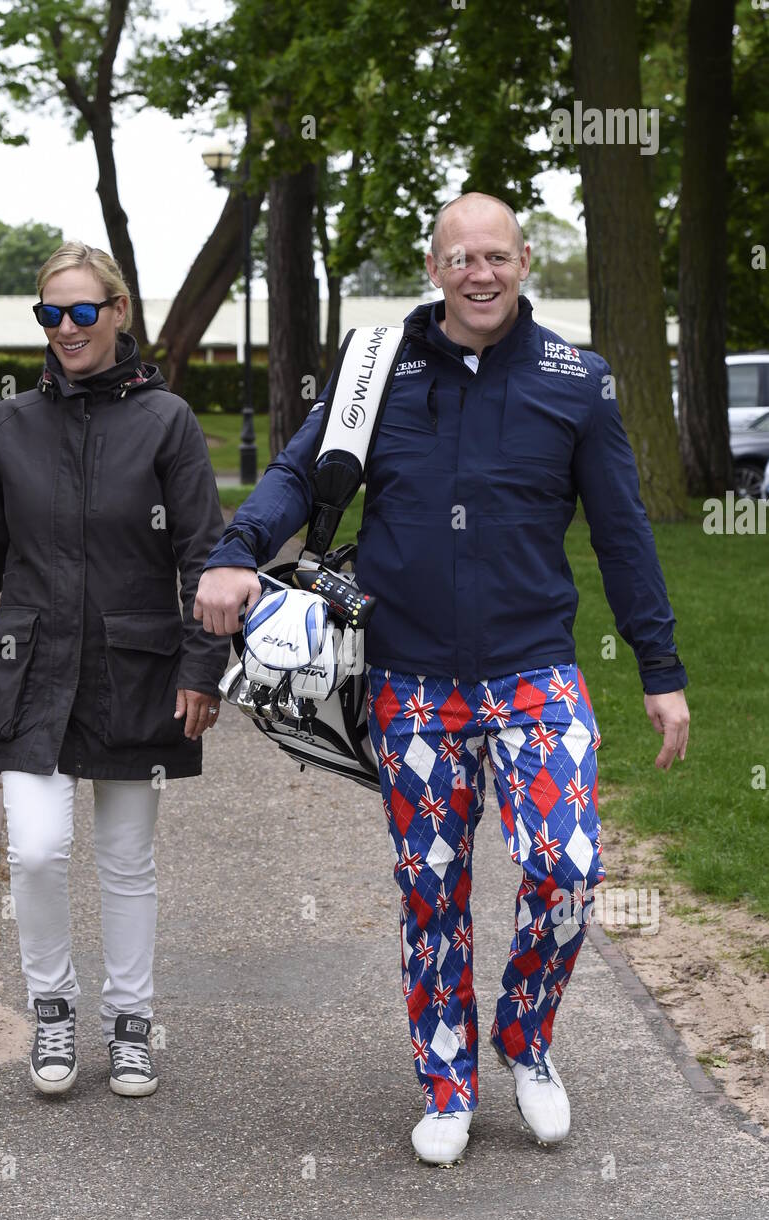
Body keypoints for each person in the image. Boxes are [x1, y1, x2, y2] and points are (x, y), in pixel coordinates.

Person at [194, 192, 691, 1166]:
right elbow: (299, 472)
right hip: (412, 677)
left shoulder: (574, 381)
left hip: (536, 672)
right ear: (435, 267)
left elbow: (626, 535)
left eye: (496, 255)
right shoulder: (377, 369)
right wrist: (235, 549)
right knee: (432, 887)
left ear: (523, 260)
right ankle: (449, 1081)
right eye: (460, 256)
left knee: (568, 867)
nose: (480, 272)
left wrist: (660, 667)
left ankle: (527, 1038)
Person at [0, 242, 230, 1098]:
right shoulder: (12, 424)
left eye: (82, 311)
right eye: (50, 314)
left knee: (127, 859)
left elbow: (204, 556)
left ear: (119, 312)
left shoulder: (167, 421)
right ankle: (51, 1011)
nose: (66, 327)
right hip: (30, 671)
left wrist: (203, 668)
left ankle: (130, 1024)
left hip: (137, 673)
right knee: (36, 851)